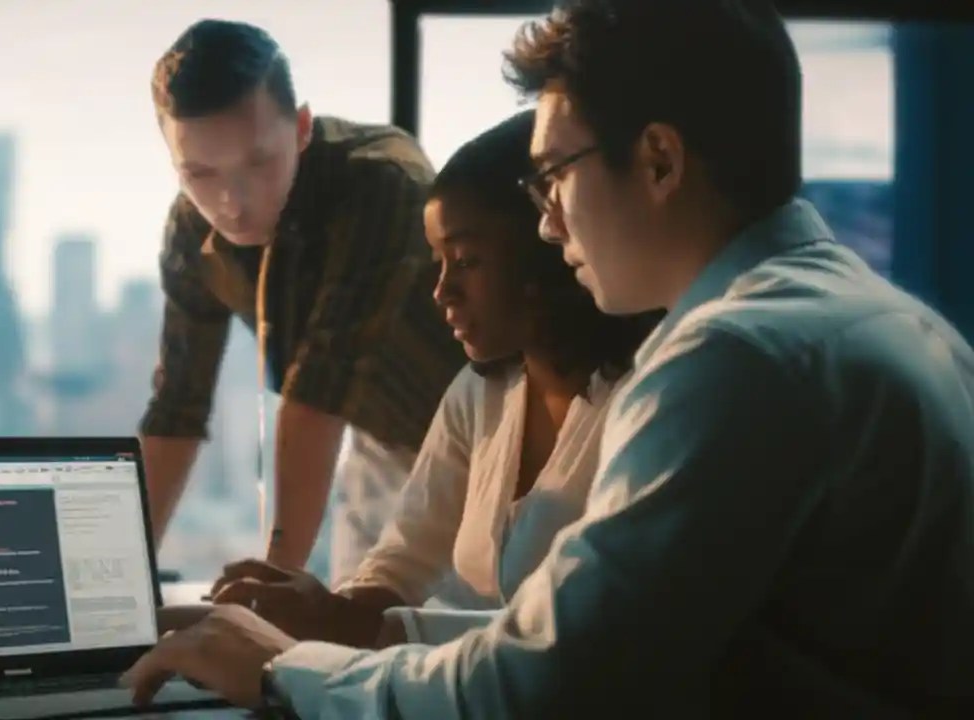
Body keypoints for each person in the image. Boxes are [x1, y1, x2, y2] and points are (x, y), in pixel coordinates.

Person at [121, 1, 974, 716]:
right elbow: (588, 637)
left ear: (659, 161)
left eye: (553, 178)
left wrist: (280, 673)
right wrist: (364, 633)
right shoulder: (900, 326)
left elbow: (544, 685)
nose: (545, 224)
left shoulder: (731, 360)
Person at [189, 110, 661, 650]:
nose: (442, 292)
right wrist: (299, 611)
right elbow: (402, 563)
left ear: (545, 246)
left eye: (465, 260)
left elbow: (583, 639)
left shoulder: (646, 401)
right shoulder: (479, 395)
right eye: (437, 262)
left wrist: (344, 626)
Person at [140, 19, 467, 581]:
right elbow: (177, 408)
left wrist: (275, 578)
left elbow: (319, 390)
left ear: (302, 127)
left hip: (492, 438)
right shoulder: (192, 228)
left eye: (257, 163)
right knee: (355, 650)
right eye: (199, 173)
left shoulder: (379, 180)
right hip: (378, 450)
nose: (231, 202)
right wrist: (124, 576)